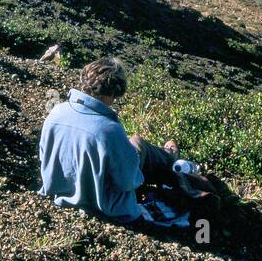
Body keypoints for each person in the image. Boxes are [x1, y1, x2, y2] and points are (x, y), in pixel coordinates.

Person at [37, 57, 214, 224]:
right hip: (108, 206)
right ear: (114, 91)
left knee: (137, 143)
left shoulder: (56, 113)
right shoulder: (109, 129)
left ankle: (168, 156)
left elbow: (45, 158)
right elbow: (129, 181)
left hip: (62, 194)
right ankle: (172, 159)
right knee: (138, 144)